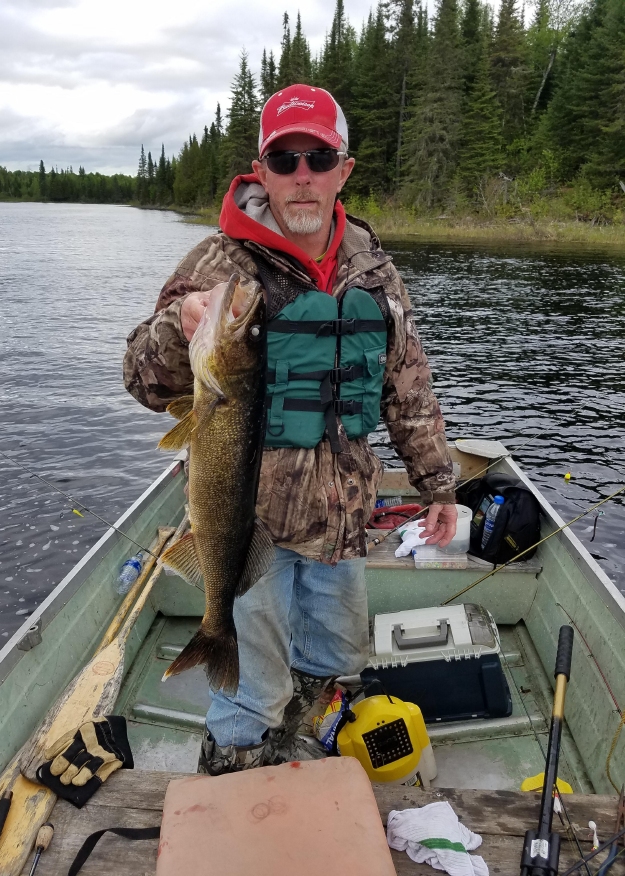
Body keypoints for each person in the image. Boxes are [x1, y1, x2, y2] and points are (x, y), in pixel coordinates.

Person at [123, 84, 457, 775]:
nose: (301, 174)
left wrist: (437, 484)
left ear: (343, 169)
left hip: (342, 515)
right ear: (260, 170)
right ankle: (238, 753)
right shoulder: (219, 265)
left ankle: (297, 731)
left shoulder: (373, 267)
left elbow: (407, 385)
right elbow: (141, 379)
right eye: (284, 158)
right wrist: (173, 328)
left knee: (335, 652)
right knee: (252, 678)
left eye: (317, 156)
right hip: (252, 523)